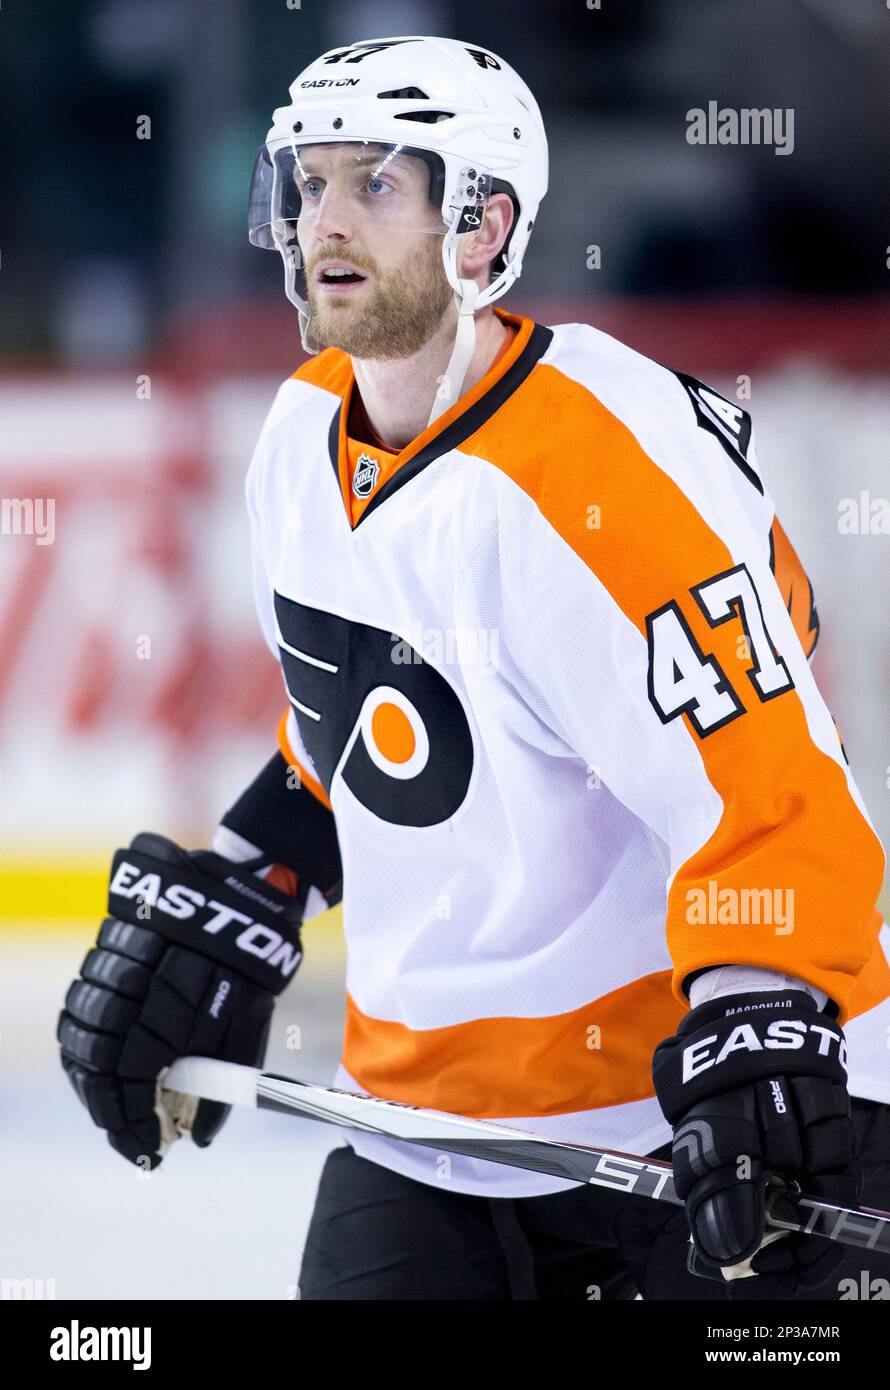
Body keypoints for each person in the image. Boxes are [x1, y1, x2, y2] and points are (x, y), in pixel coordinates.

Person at [58, 34, 890, 1301]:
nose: (321, 219)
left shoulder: (605, 477)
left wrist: (759, 1017)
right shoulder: (299, 439)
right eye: (308, 181)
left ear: (482, 226)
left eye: (375, 185)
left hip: (687, 1132)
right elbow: (369, 722)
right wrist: (254, 877)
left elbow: (772, 792)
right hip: (431, 1132)